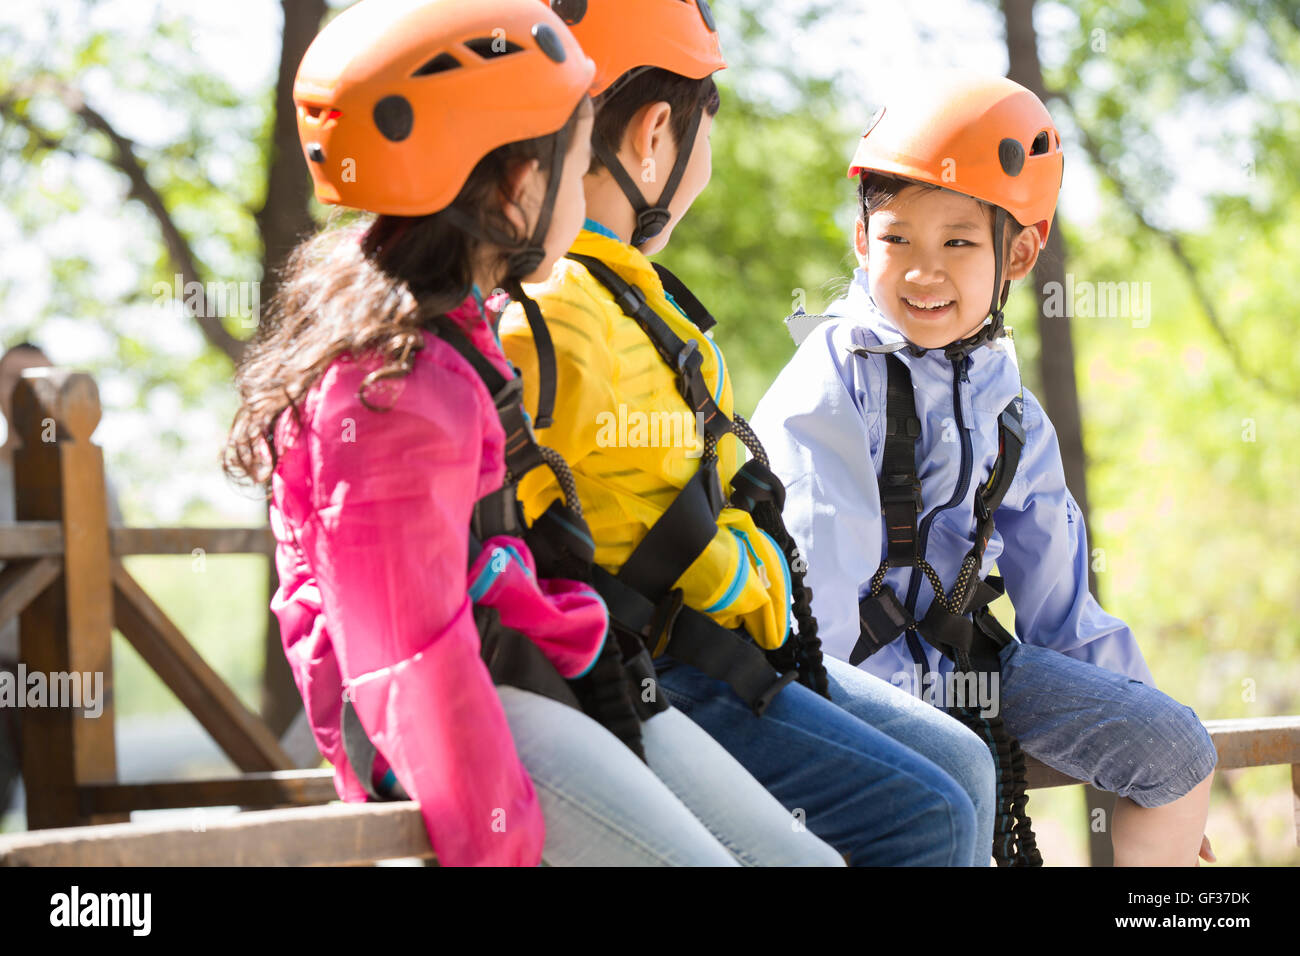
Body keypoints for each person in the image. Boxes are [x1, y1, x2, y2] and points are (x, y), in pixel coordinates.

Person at [225, 0, 841, 867]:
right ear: (516, 182)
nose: (588, 177)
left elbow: (496, 569)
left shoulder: (459, 335)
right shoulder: (397, 393)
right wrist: (497, 842)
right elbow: (408, 662)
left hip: (517, 673)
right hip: (449, 719)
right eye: (577, 145)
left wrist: (592, 659)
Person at [500, 0, 991, 866]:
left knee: (963, 763)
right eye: (705, 133)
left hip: (725, 636)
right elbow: (554, 520)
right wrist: (725, 579)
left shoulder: (625, 295)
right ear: (656, 136)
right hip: (668, 653)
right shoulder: (562, 304)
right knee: (931, 819)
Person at [752, 71, 1218, 865]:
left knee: (1176, 751)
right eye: (898, 239)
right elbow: (816, 588)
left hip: (966, 667)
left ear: (1022, 251)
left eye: (958, 243)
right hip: (840, 685)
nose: (923, 271)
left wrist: (1137, 733)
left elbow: (1064, 608)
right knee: (950, 778)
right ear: (864, 241)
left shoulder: (1008, 411)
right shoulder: (833, 382)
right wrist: (873, 744)